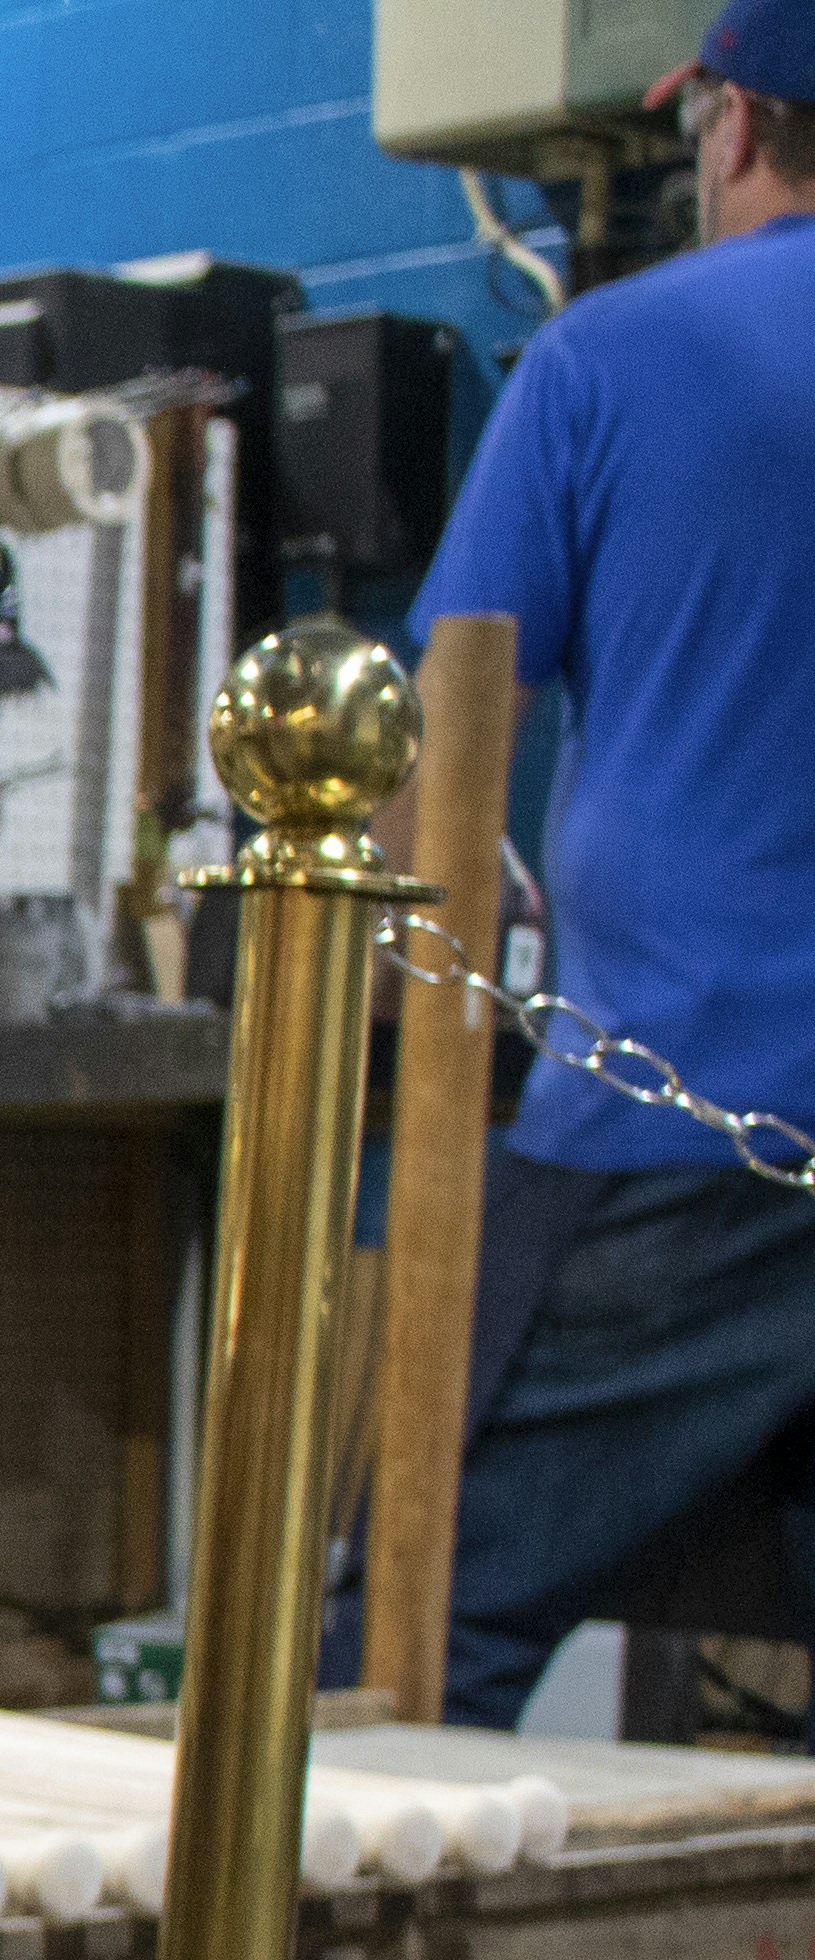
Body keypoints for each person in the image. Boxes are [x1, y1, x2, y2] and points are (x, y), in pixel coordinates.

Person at [418, 0, 815, 1726]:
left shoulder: (606, 358)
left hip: (682, 1124)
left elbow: (441, 739)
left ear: (729, 126)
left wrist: (472, 876)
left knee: (416, 1632)